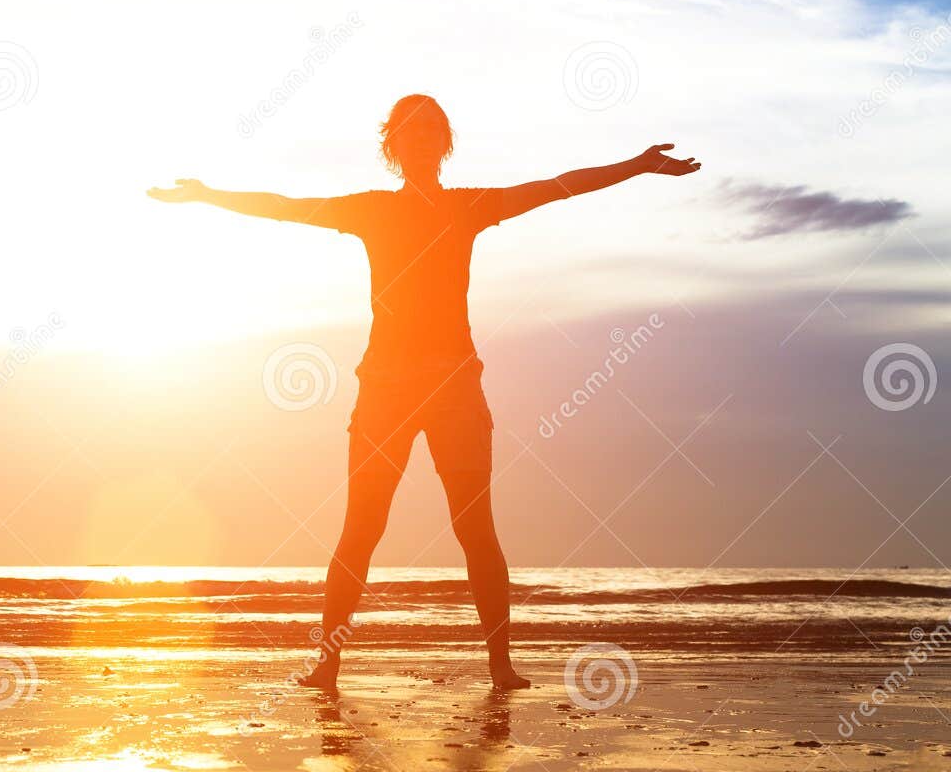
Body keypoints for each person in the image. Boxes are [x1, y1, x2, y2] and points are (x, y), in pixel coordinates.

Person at [149, 94, 700, 690]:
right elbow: (286, 207)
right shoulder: (371, 212)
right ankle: (326, 664)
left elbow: (556, 186)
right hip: (384, 388)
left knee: (475, 529)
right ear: (393, 146)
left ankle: (500, 666)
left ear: (445, 143)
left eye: (431, 131)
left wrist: (636, 165)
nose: (419, 142)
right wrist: (208, 194)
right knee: (361, 526)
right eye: (408, 134)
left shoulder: (468, 209)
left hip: (455, 388)